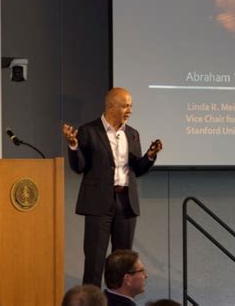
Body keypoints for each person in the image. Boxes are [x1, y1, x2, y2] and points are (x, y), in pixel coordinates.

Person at [62, 87, 162, 287]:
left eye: (131, 106)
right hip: (98, 204)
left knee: (123, 265)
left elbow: (137, 169)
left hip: (126, 204)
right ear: (110, 106)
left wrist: (150, 156)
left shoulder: (132, 134)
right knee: (94, 262)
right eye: (125, 106)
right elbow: (80, 166)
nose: (130, 110)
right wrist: (74, 145)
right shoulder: (89, 131)